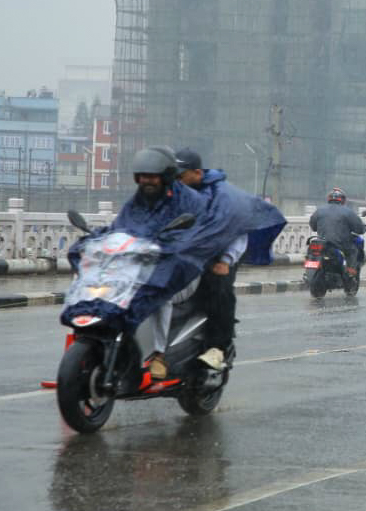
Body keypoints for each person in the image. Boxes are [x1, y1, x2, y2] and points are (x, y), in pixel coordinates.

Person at [175, 148, 286, 369]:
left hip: (219, 254)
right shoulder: (175, 193)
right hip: (185, 252)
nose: (176, 180)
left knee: (218, 288)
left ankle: (218, 348)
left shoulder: (223, 196)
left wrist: (225, 261)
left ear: (197, 173)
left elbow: (237, 229)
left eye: (180, 175)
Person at [113, 147, 209, 379]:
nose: (147, 180)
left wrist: (175, 245)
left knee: (160, 293)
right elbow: (119, 228)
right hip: (145, 267)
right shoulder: (137, 202)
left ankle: (158, 355)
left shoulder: (189, 201)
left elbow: (197, 235)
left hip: (184, 271)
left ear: (165, 176)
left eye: (152, 175)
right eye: (143, 175)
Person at [309, 187, 366, 276]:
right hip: (340, 244)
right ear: (342, 200)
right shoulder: (348, 212)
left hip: (322, 243)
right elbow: (359, 228)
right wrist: (363, 228)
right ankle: (350, 272)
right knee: (353, 250)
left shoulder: (319, 211)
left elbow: (313, 226)